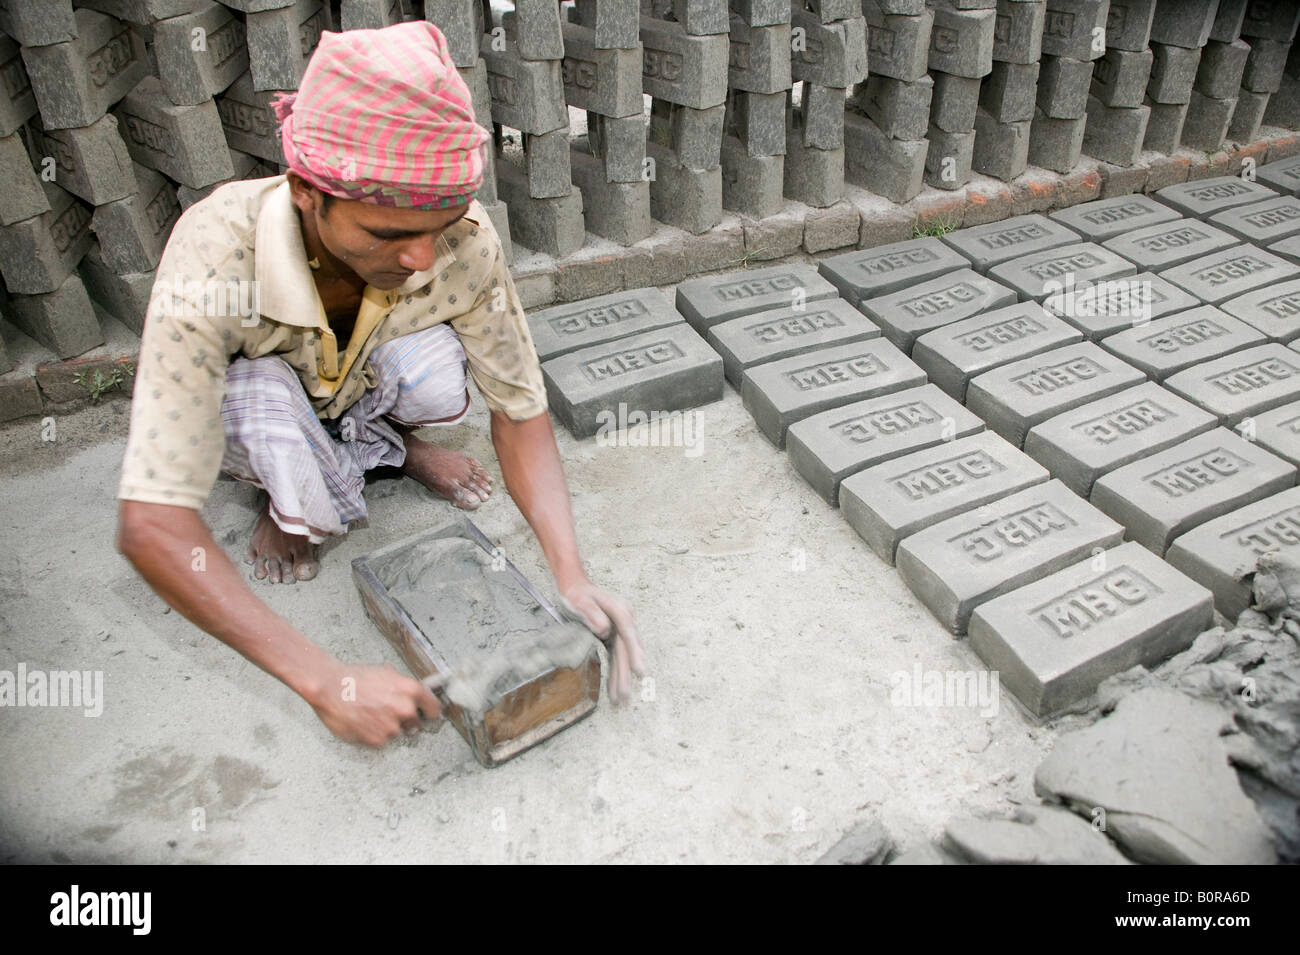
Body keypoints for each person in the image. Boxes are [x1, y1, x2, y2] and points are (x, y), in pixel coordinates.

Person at [115, 21, 644, 747]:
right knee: (269, 406)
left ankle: (394, 449)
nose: (422, 257)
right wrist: (321, 677)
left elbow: (520, 410)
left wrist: (571, 575)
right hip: (262, 390)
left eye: (441, 224)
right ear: (307, 193)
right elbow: (151, 525)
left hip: (357, 378)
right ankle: (286, 489)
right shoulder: (214, 257)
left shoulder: (459, 245)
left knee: (435, 369)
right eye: (387, 235)